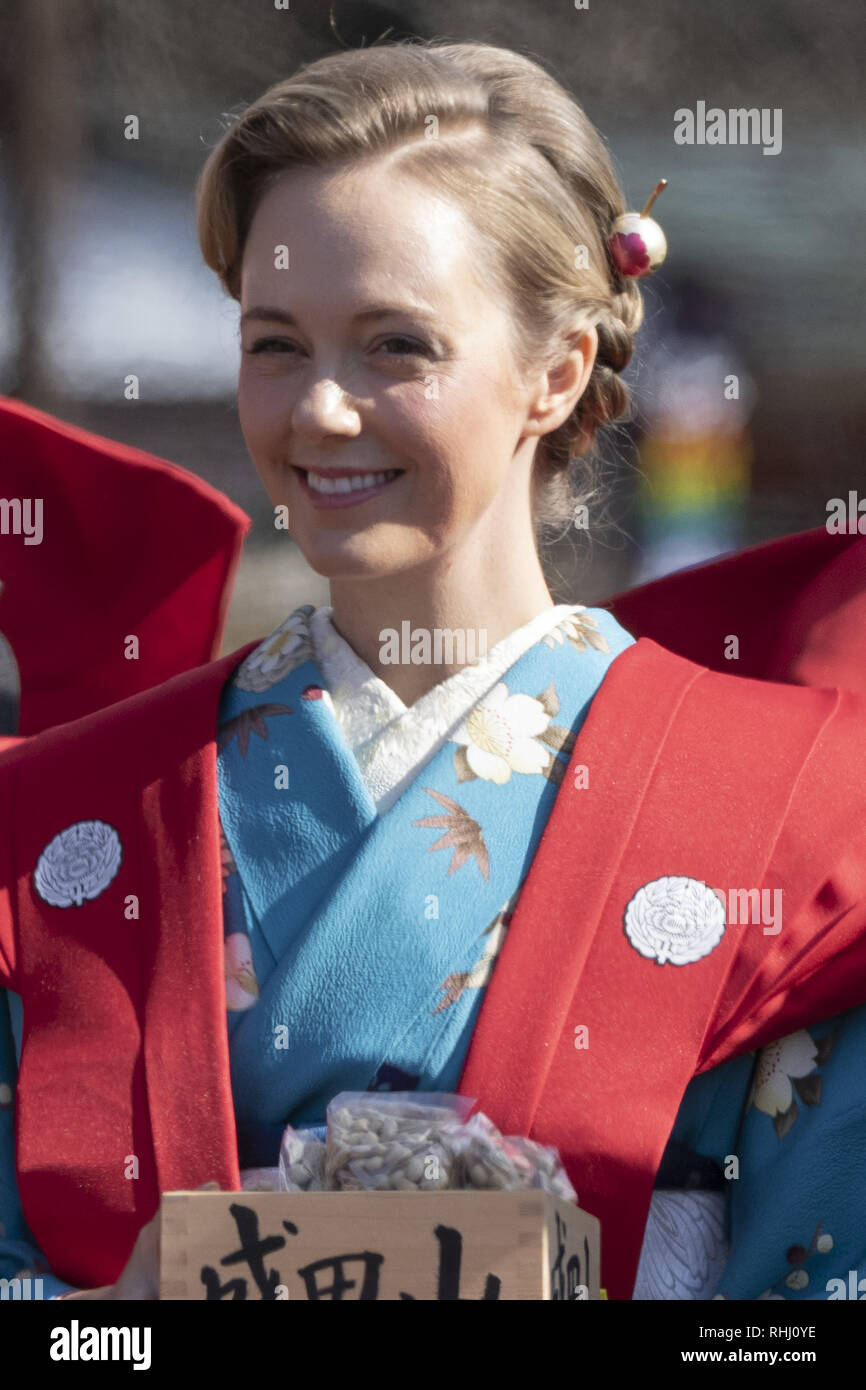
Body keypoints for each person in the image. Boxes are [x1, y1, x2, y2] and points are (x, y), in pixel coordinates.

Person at [1, 39, 865, 1302]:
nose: (321, 412)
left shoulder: (792, 814)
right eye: (276, 344)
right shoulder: (60, 824)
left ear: (556, 371)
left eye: (394, 345)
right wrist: (125, 1326)